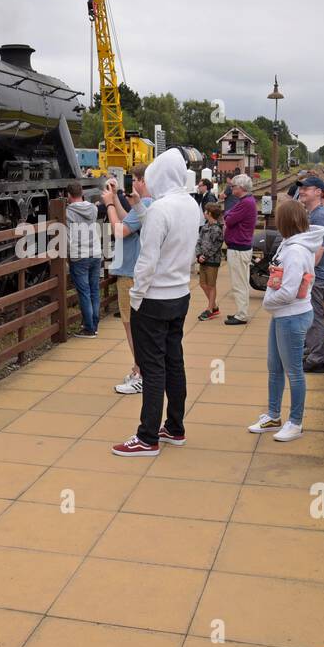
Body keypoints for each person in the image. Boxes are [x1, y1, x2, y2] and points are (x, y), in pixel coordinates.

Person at [111, 148, 201, 457]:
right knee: (174, 362)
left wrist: (136, 296)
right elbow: (168, 229)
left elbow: (147, 262)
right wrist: (141, 208)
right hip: (180, 294)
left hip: (153, 299)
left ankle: (146, 436)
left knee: (152, 368)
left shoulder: (161, 209)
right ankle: (174, 428)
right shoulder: (191, 205)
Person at [246, 200, 324, 441]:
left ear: (285, 222)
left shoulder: (295, 251)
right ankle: (273, 414)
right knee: (275, 367)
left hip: (291, 316)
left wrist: (267, 302)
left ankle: (295, 421)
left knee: (294, 372)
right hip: (284, 315)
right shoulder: (291, 245)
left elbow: (289, 291)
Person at [101, 165, 152, 394]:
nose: (134, 184)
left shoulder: (148, 204)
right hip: (134, 271)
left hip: (130, 273)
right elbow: (127, 220)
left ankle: (141, 373)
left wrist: (109, 203)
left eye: (135, 180)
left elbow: (119, 230)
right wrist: (117, 198)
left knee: (132, 326)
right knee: (135, 325)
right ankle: (138, 368)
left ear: (142, 181)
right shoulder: (147, 206)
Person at [296, 177, 324, 370]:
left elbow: (319, 250)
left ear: (319, 192)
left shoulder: (319, 216)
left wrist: (305, 273)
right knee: (311, 314)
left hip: (315, 273)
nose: (302, 191)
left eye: (306, 189)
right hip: (314, 272)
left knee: (315, 315)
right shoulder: (315, 213)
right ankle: (313, 350)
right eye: (301, 188)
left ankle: (318, 358)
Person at [65, 183, 103, 338]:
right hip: (95, 253)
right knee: (94, 290)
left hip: (79, 256)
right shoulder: (93, 209)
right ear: (82, 193)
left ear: (68, 195)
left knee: (84, 292)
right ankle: (94, 324)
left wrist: (67, 256)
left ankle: (89, 328)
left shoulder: (68, 212)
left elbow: (68, 238)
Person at [221, 174, 256, 325]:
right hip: (240, 247)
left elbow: (228, 219)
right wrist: (228, 215)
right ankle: (241, 311)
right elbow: (228, 215)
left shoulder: (245, 203)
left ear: (241, 188)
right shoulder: (246, 201)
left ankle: (241, 315)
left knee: (239, 283)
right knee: (241, 281)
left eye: (233, 186)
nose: (231, 188)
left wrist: (228, 216)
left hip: (238, 248)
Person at [195, 203, 224, 320]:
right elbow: (199, 241)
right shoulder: (205, 227)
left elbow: (216, 246)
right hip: (202, 260)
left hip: (212, 261)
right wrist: (198, 255)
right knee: (203, 284)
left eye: (205, 212)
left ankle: (210, 309)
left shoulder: (217, 229)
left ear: (210, 214)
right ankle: (214, 306)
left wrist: (205, 256)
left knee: (211, 285)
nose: (204, 213)